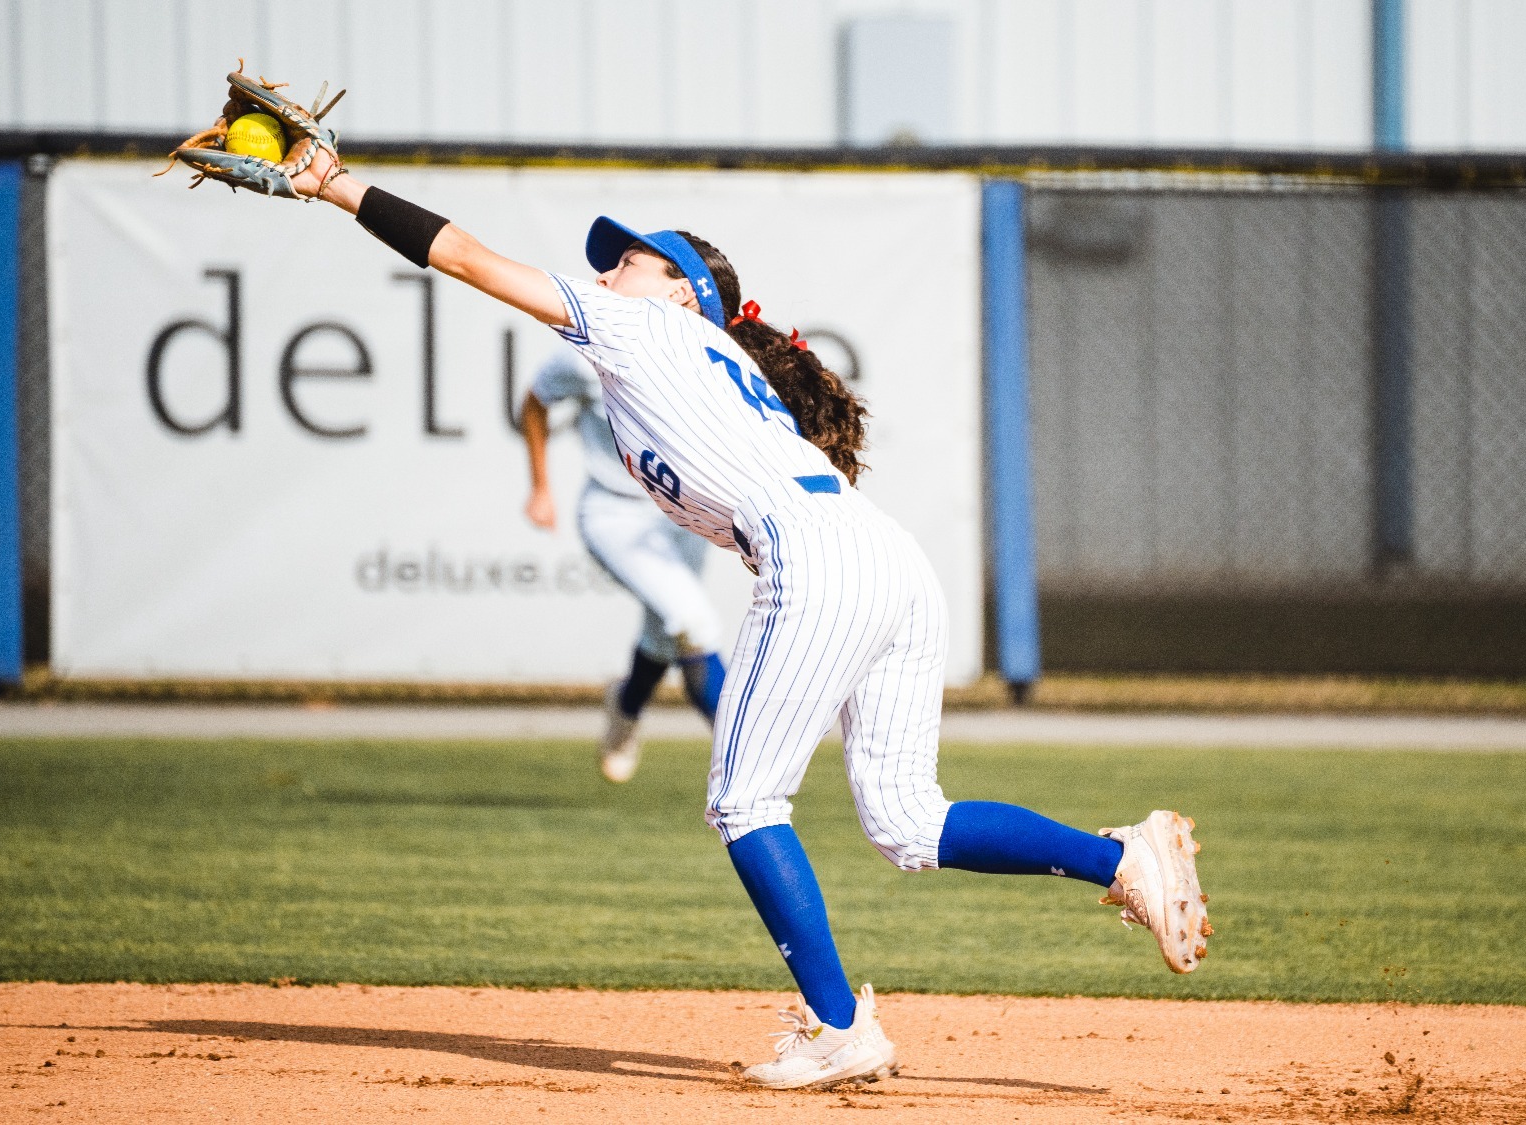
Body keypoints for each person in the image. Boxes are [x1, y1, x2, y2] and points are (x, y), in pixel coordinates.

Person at [276, 148, 1210, 1091]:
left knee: (745, 800)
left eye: (631, 260)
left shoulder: (644, 328)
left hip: (818, 557)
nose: (607, 273)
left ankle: (837, 1024)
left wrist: (335, 184)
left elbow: (469, 259)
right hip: (881, 556)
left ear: (681, 293)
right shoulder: (688, 354)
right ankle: (1119, 856)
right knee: (907, 821)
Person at [521, 347, 727, 783]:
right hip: (613, 512)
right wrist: (540, 488)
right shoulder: (585, 357)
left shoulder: (697, 349)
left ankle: (626, 706)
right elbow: (535, 401)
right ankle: (744, 753)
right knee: (692, 620)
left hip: (685, 514)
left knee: (663, 632)